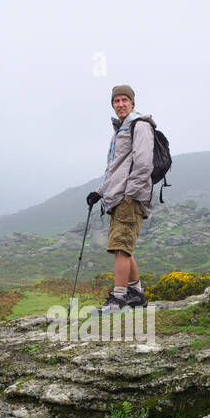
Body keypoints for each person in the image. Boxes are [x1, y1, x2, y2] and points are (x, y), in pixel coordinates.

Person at [86, 84, 153, 314]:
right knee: (122, 247)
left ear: (133, 103)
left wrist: (129, 195)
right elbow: (115, 169)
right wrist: (99, 191)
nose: (120, 104)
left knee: (121, 248)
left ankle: (118, 299)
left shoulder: (140, 125)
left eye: (125, 100)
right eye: (116, 101)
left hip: (129, 199)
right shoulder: (120, 130)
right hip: (116, 198)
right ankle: (136, 294)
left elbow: (144, 164)